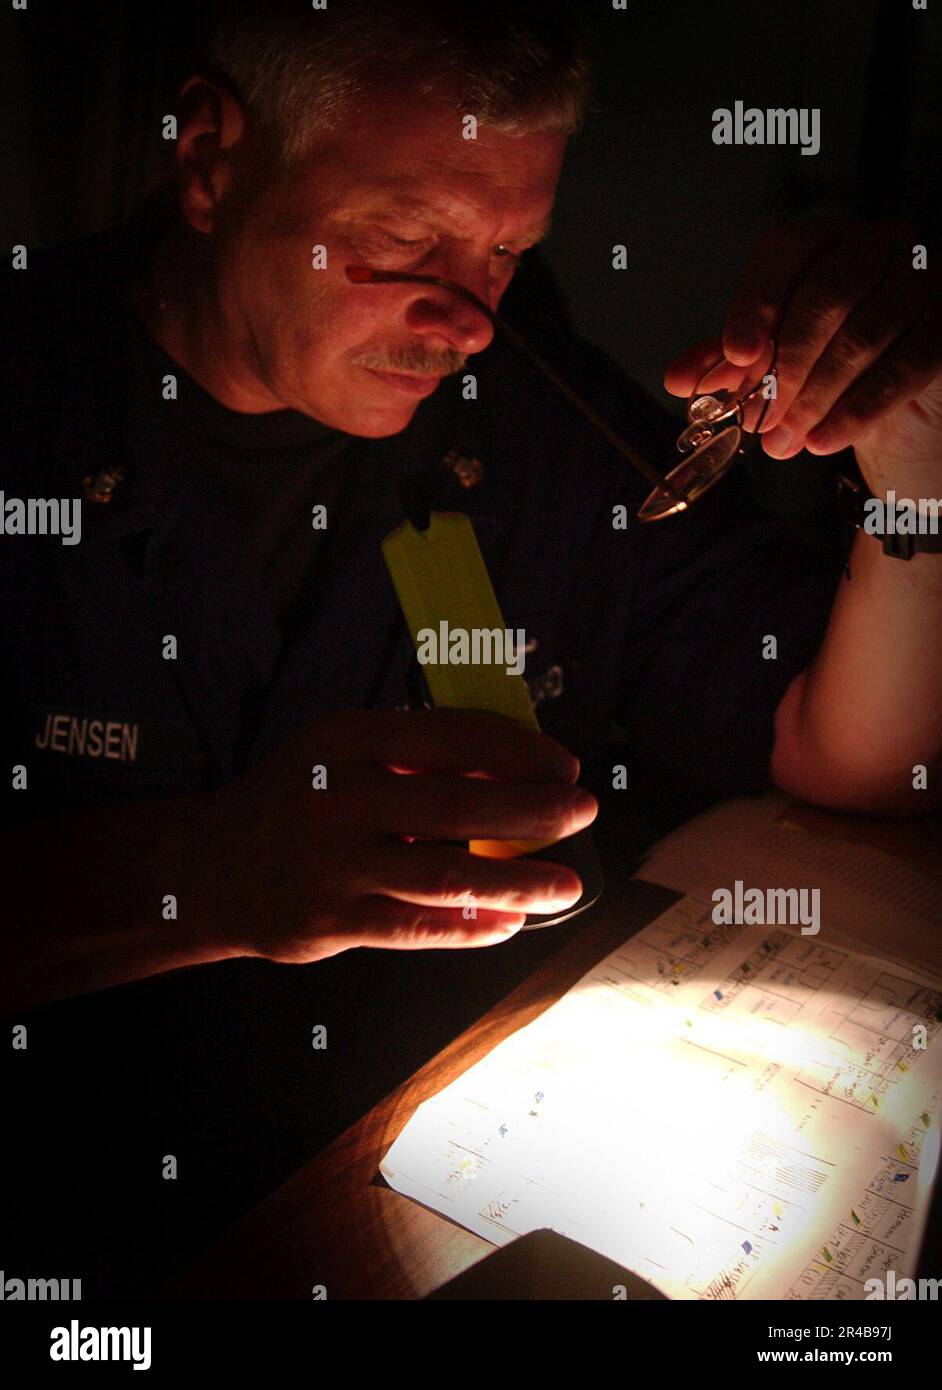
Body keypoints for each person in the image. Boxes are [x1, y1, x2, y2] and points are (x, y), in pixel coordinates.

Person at [1, 0, 939, 1297]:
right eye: (400, 241)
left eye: (505, 250)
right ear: (210, 157)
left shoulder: (528, 407)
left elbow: (842, 757)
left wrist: (915, 479)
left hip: (457, 1173)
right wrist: (194, 876)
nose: (470, 319)